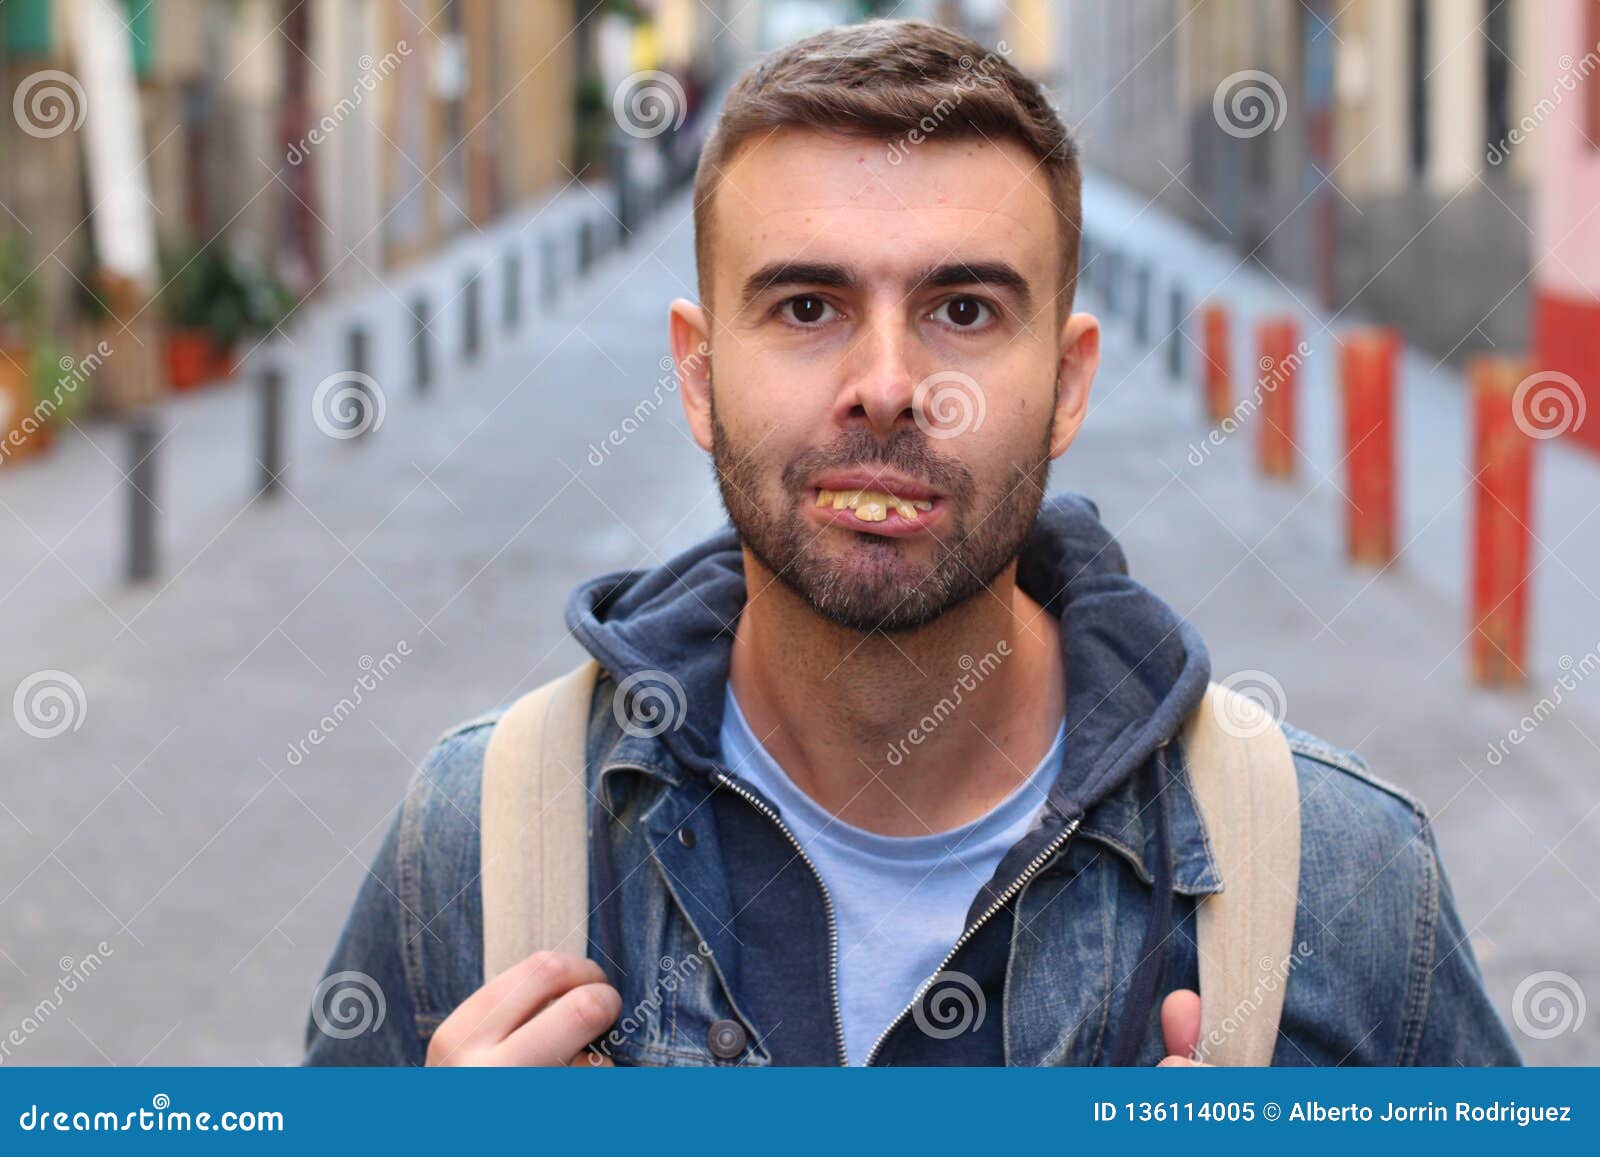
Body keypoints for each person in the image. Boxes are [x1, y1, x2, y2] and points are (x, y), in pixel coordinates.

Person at [304, 18, 1519, 1068]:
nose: (887, 386)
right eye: (807, 306)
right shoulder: (479, 842)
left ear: (1068, 379)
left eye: (963, 309)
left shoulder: (1341, 878)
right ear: (697, 372)